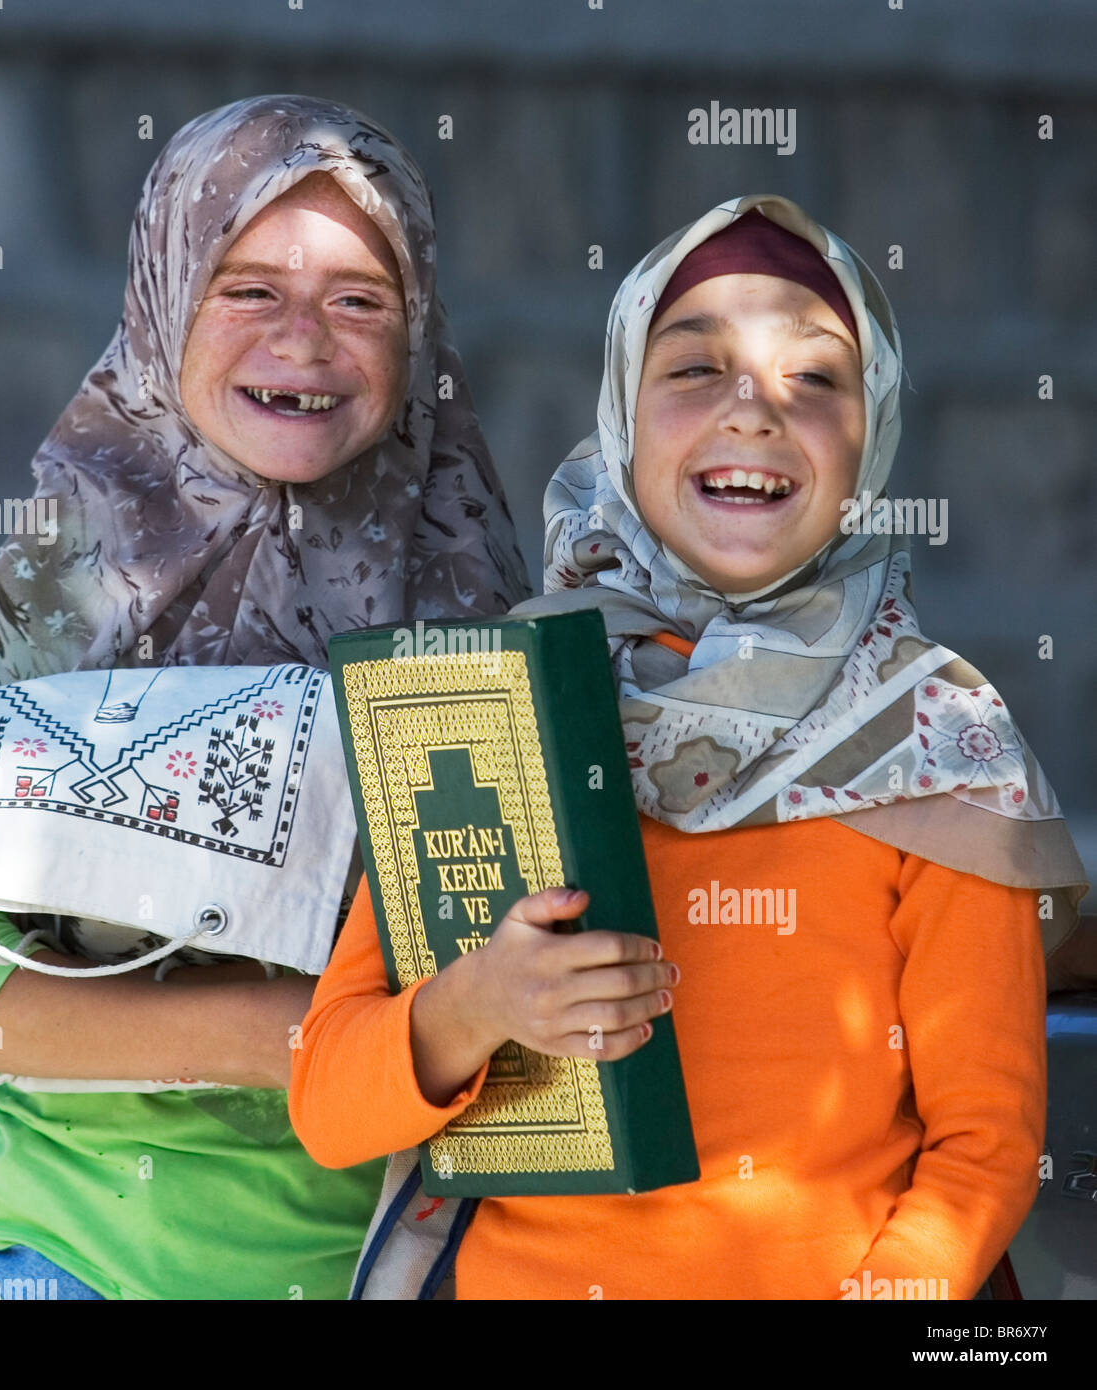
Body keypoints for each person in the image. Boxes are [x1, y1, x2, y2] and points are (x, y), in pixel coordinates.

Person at [288, 194, 1089, 1300]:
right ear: (620, 414)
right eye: (694, 369)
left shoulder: (938, 736)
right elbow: (330, 1105)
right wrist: (480, 1004)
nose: (756, 411)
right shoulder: (503, 695)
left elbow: (982, 1148)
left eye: (816, 378)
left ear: (874, 437)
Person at [0, 94, 529, 1301]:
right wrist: (307, 1043)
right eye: (246, 289)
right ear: (164, 294)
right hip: (78, 1254)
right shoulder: (53, 595)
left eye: (359, 298)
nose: (304, 340)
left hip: (401, 1261)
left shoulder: (477, 601)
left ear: (418, 328)